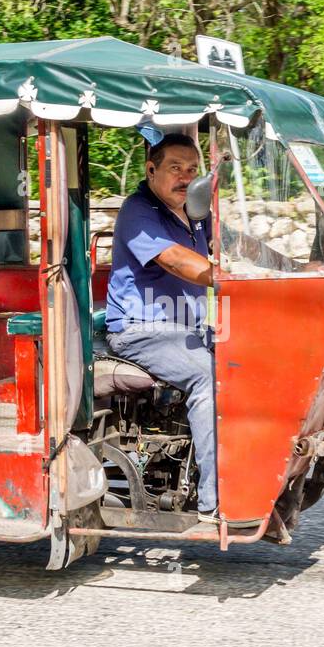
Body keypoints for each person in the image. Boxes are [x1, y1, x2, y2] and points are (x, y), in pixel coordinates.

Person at [104, 134, 219, 520]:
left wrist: (286, 268)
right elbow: (175, 261)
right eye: (175, 169)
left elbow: (237, 246)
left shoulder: (195, 212)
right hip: (140, 330)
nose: (185, 178)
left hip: (186, 329)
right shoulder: (139, 211)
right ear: (151, 170)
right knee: (208, 378)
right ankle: (216, 500)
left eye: (192, 170)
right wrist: (229, 277)